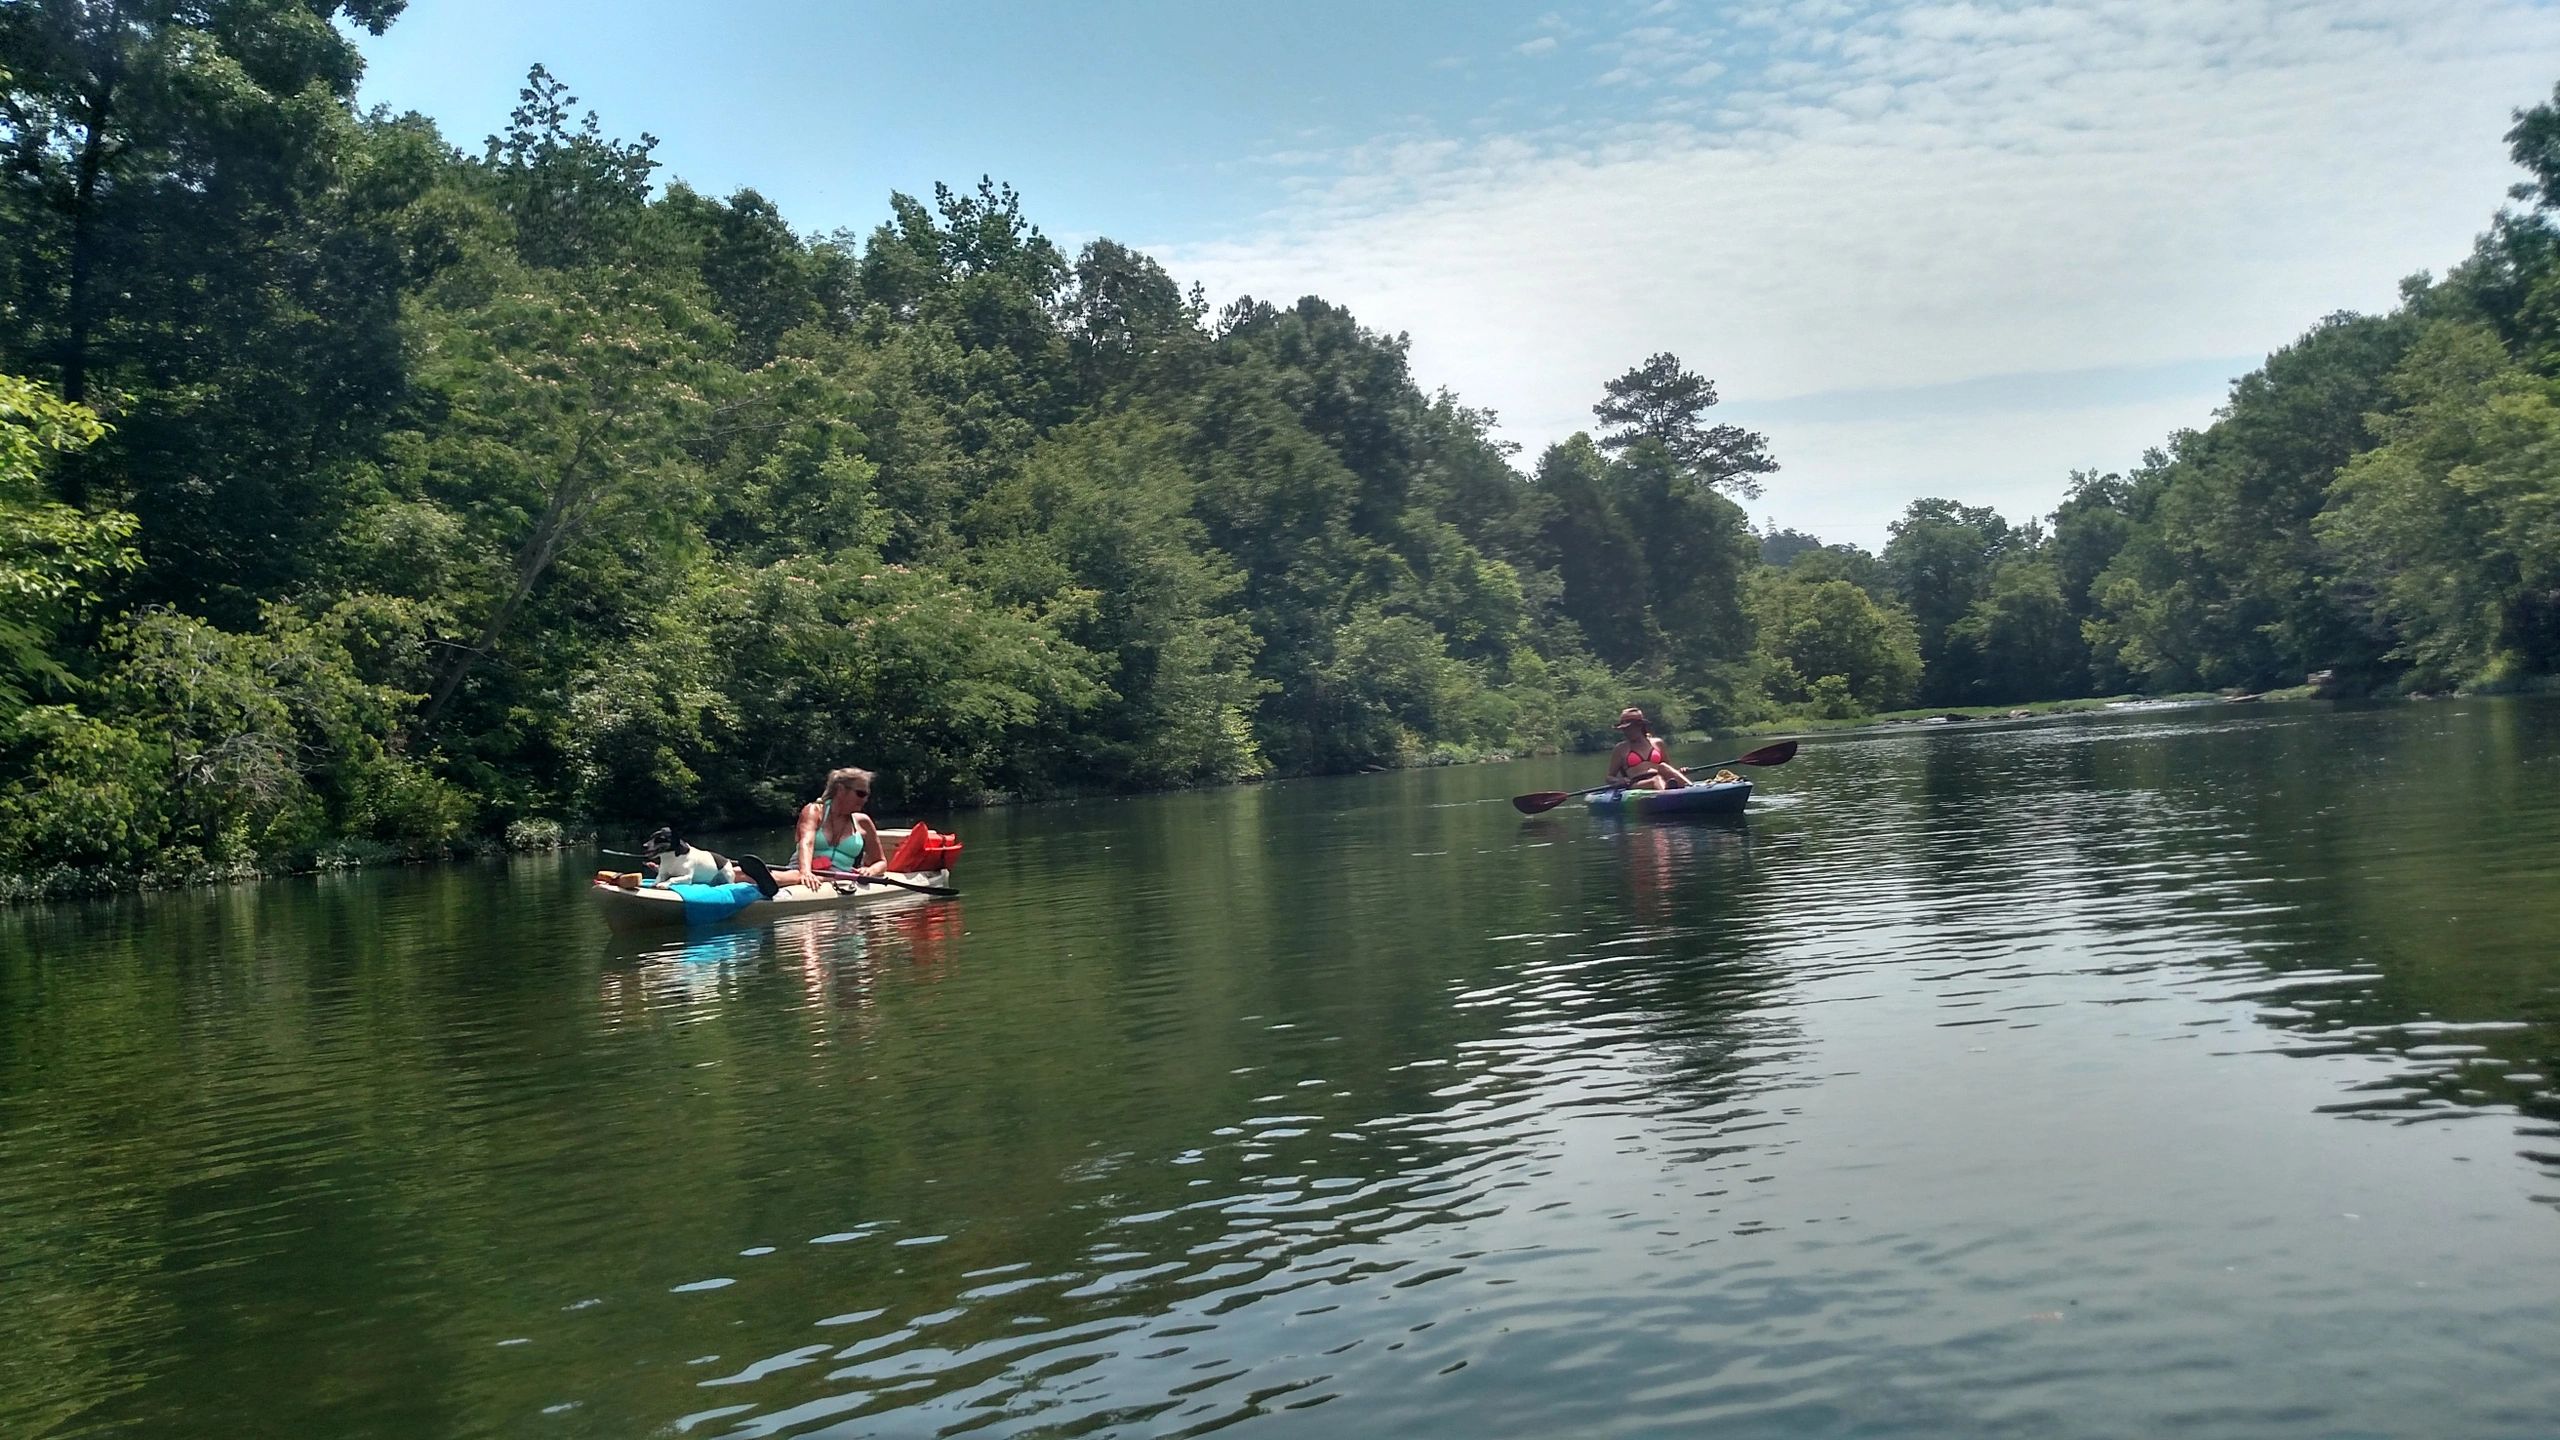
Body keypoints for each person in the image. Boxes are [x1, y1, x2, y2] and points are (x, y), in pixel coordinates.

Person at [775, 766, 887, 887]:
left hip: (840, 877)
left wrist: (870, 871)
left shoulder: (863, 822)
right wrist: (806, 872)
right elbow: (807, 843)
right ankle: (765, 880)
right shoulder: (814, 811)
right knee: (793, 875)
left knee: (787, 877)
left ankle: (771, 879)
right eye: (861, 794)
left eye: (867, 795)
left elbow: (881, 862)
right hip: (800, 871)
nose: (865, 799)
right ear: (841, 790)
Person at [1608, 707, 1693, 791]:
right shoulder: (1620, 748)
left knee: (1663, 766)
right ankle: (1667, 796)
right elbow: (1609, 777)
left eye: (1629, 728)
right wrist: (1619, 780)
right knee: (1656, 779)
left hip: (1661, 777)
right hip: (1637, 783)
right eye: (1624, 729)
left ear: (1639, 726)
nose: (1626, 732)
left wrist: (1679, 771)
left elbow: (1668, 767)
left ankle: (1691, 787)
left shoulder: (1658, 743)